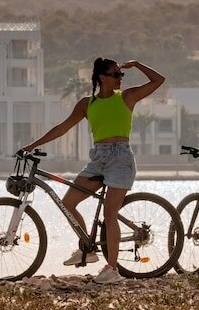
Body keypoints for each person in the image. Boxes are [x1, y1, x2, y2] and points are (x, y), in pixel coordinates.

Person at [22, 58, 165, 284]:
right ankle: (88, 247)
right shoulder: (87, 104)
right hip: (98, 159)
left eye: (121, 75)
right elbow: (62, 128)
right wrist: (32, 145)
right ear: (101, 77)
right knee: (68, 203)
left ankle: (112, 269)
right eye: (115, 75)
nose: (120, 78)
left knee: (110, 213)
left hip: (121, 159)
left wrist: (137, 64)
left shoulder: (127, 97)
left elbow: (159, 80)